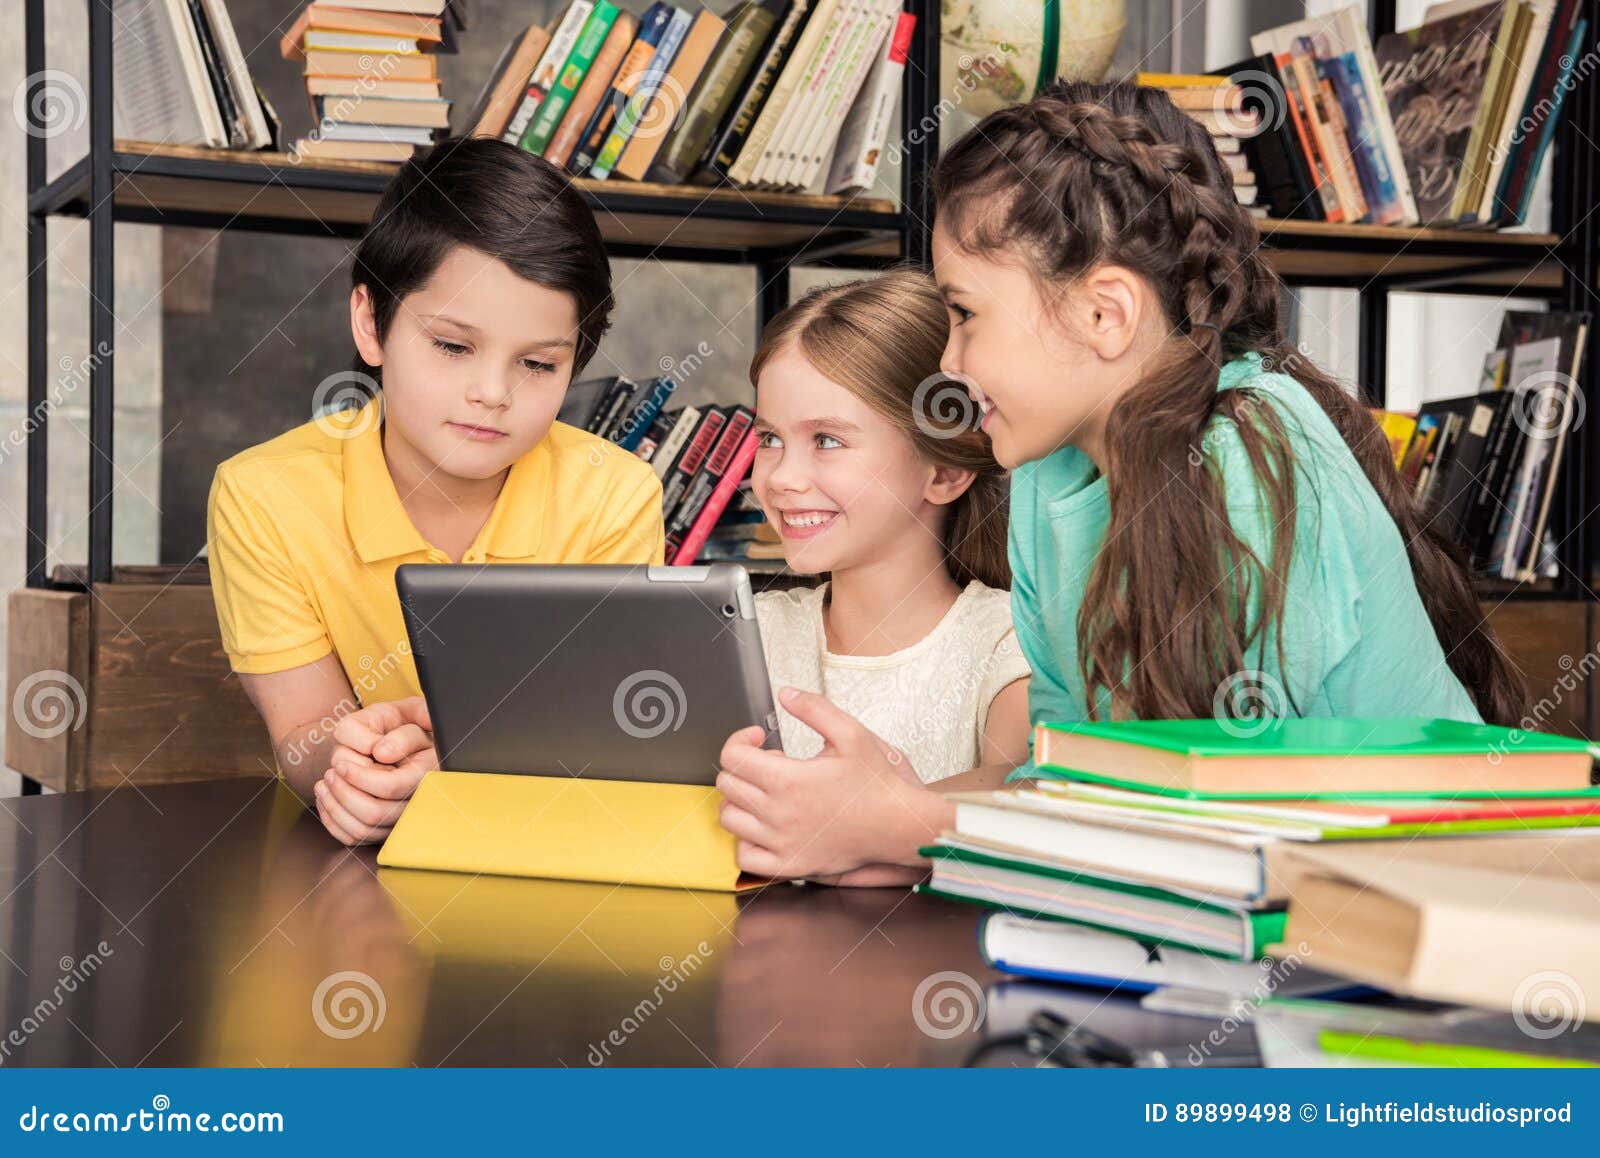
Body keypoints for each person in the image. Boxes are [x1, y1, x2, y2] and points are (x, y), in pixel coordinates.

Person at [714, 80, 1527, 881]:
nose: (949, 362)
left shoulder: (1254, 457)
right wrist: (887, 816)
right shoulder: (1050, 475)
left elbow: (1222, 826)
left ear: (1105, 314)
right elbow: (1066, 782)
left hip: (1414, 903)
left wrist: (903, 825)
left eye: (965, 315)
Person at [207, 138, 662, 847]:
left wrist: (454, 771)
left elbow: (604, 727)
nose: (492, 393)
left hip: (547, 851)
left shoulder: (616, 494)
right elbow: (304, 729)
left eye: (538, 364)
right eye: (453, 346)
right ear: (371, 324)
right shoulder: (262, 495)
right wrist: (358, 773)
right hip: (349, 876)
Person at [722, 271, 1032, 885]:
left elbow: (1020, 788)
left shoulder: (1008, 640)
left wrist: (868, 825)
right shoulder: (745, 632)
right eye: (770, 438)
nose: (781, 478)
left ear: (943, 472)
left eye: (827, 440)